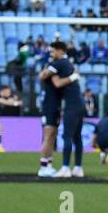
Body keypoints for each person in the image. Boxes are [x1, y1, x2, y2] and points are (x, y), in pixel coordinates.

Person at [38, 39, 85, 178]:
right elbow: (45, 77)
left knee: (55, 135)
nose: (51, 53)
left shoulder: (58, 64)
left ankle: (53, 165)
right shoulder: (63, 64)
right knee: (50, 134)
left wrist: (72, 77)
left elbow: (53, 81)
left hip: (56, 104)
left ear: (60, 51)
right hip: (53, 104)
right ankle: (45, 166)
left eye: (53, 51)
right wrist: (73, 77)